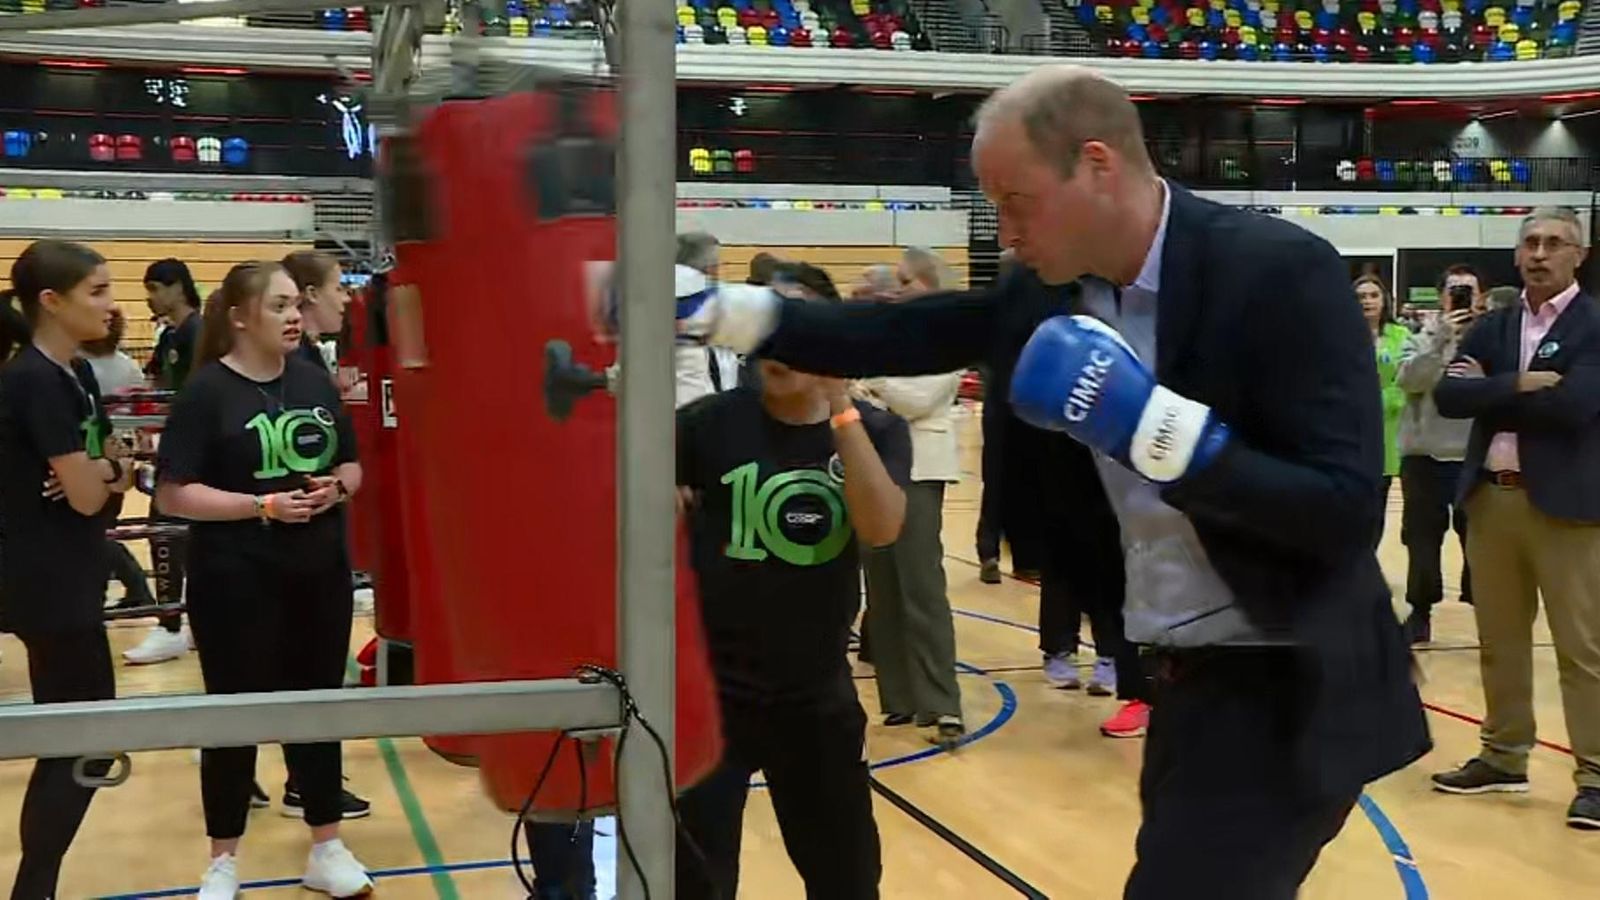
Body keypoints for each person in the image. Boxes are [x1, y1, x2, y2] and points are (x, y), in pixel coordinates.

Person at [686, 64, 1429, 897]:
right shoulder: (1053, 292)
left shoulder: (1278, 270)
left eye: (1015, 201)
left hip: (1291, 677)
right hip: (1180, 678)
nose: (1003, 230)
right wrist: (720, 312)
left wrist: (1159, 432)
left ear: (1098, 167)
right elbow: (906, 330)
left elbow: (1342, 512)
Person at [674, 288, 910, 899]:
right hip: (712, 695)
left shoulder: (877, 431)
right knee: (696, 881)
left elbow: (882, 528)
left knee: (847, 878)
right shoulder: (706, 425)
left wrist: (840, 406)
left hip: (816, 696)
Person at [155, 261, 373, 898]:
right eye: (278, 306)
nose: (294, 316)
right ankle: (222, 860)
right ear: (240, 316)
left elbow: (354, 465)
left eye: (296, 305)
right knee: (235, 716)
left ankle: (326, 846)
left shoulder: (314, 380)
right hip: (235, 581)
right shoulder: (205, 393)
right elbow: (173, 493)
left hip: (318, 576)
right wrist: (260, 508)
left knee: (317, 709)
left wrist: (338, 489)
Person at [1432, 207, 1600, 830]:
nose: (1539, 253)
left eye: (1554, 243)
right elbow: (1450, 396)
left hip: (1568, 508)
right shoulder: (1495, 325)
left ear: (1578, 254)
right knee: (1500, 642)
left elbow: (1577, 407)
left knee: (1583, 650)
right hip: (1491, 500)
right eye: (1530, 242)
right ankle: (1504, 755)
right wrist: (1526, 382)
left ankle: (1596, 776)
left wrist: (1494, 388)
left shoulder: (1594, 324)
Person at [0, 240, 136, 900]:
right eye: (99, 292)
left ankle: (37, 885)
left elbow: (112, 471)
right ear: (50, 303)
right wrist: (106, 474)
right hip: (46, 585)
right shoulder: (31, 381)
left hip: (77, 572)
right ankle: (34, 887)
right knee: (84, 737)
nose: (112, 306)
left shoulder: (76, 375)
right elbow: (90, 492)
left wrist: (106, 472)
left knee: (78, 738)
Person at [848, 275, 966, 743]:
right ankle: (898, 700)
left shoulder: (948, 343)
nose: (896, 292)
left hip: (919, 469)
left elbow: (915, 401)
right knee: (882, 587)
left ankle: (942, 704)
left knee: (922, 586)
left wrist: (873, 380)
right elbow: (854, 395)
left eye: (906, 284)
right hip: (872, 465)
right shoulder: (887, 342)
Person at [1395, 265, 1485, 643]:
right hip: (1424, 455)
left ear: (1481, 296)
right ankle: (1420, 611)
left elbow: (1493, 389)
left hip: (1474, 455)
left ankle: (1488, 610)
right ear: (1441, 296)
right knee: (1421, 540)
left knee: (1480, 542)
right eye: (1454, 291)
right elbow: (1409, 380)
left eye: (1468, 290)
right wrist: (1440, 339)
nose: (1462, 297)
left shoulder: (1495, 338)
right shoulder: (1420, 335)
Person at [124, 257, 205, 665]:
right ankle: (181, 622)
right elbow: (153, 383)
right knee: (175, 536)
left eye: (155, 288)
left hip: (191, 453)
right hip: (173, 447)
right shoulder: (170, 336)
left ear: (177, 287)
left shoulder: (198, 333)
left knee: (167, 532)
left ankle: (171, 625)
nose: (150, 298)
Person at [81, 307, 159, 613]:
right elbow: (145, 416)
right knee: (102, 530)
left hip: (100, 456)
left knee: (96, 533)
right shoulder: (127, 366)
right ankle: (127, 588)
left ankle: (129, 587)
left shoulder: (77, 364)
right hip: (120, 457)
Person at [1357, 275, 1409, 544]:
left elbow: (1406, 383)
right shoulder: (1340, 335)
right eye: (1361, 296)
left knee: (1377, 507)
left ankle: (1368, 567)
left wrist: (1376, 398)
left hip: (1389, 432)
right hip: (1351, 431)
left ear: (1384, 300)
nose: (1367, 301)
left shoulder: (1401, 336)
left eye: (1373, 295)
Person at [281, 251, 350, 378]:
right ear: (312, 294)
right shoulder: (295, 362)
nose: (346, 299)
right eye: (339, 289)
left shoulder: (306, 351)